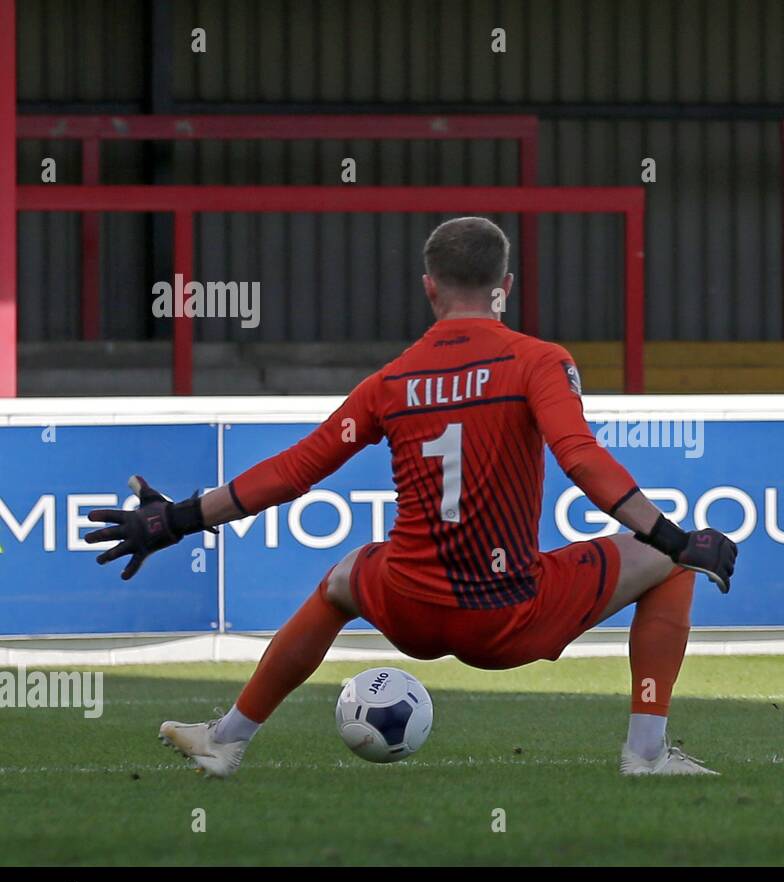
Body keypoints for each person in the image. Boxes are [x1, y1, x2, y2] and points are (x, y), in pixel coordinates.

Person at [87, 216, 738, 775]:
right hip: (510, 615)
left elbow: (294, 471)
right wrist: (676, 539)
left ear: (429, 288)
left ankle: (227, 740)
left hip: (410, 607)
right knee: (670, 564)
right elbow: (580, 459)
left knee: (342, 579)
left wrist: (175, 519)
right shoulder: (537, 361)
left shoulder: (389, 382)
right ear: (504, 288)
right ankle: (646, 752)